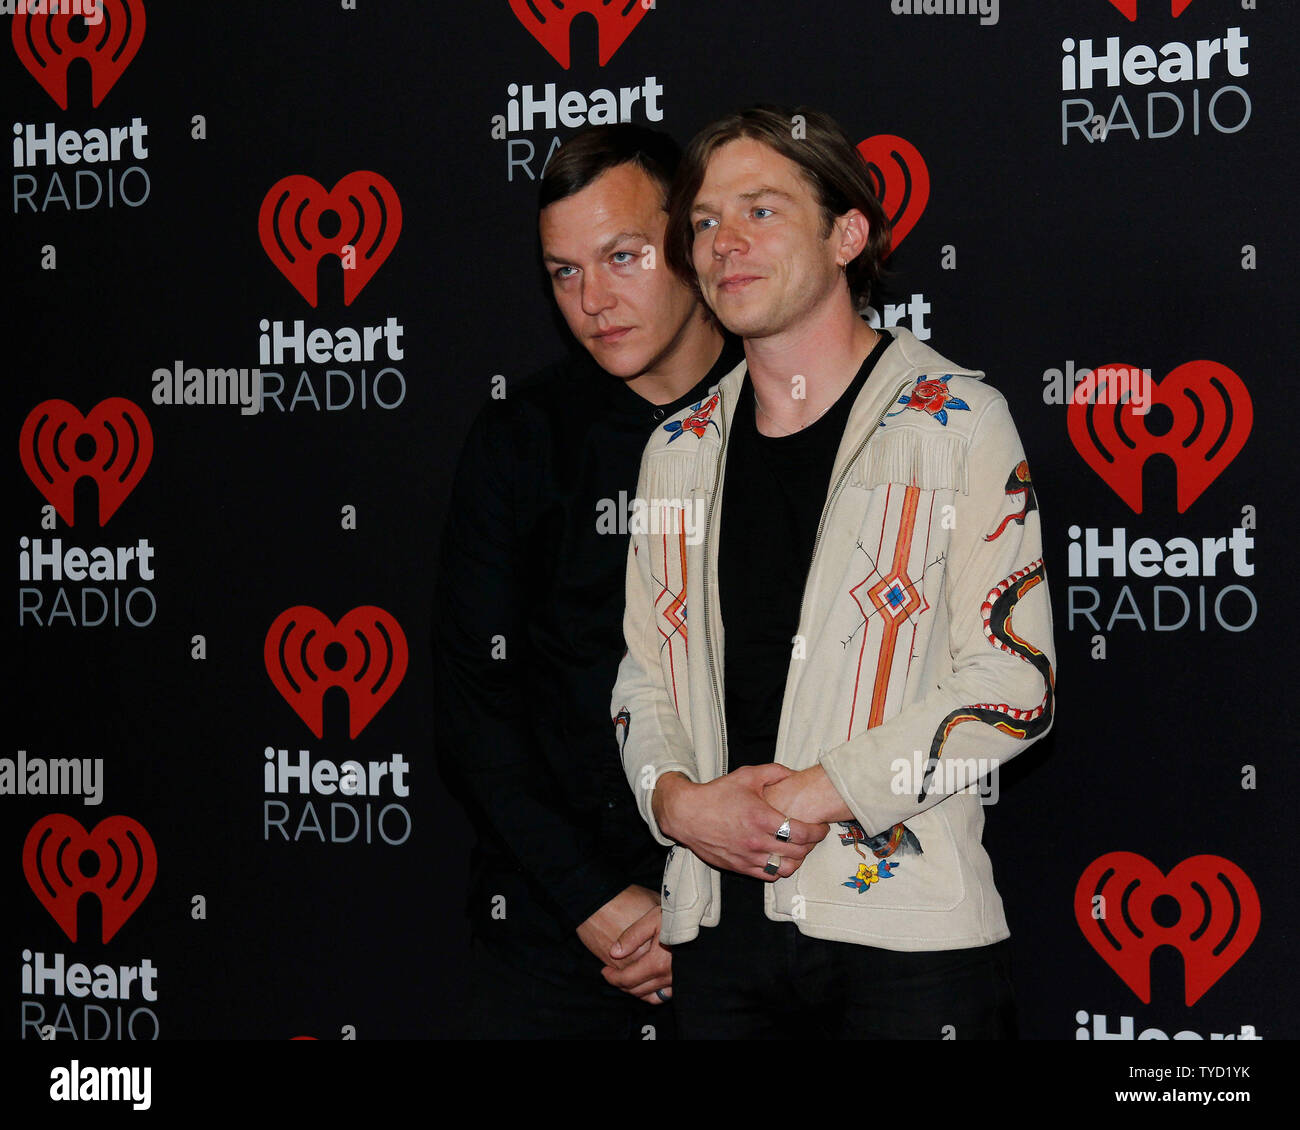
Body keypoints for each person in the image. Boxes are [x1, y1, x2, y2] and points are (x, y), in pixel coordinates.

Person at [612, 106, 1055, 1039]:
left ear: (848, 233)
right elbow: (644, 673)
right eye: (702, 221)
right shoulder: (675, 450)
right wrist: (678, 802)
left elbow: (1015, 681)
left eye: (761, 211)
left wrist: (808, 796)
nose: (724, 241)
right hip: (717, 934)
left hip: (910, 943)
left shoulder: (958, 422)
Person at [433, 124, 741, 1039]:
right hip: (559, 931)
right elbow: (474, 702)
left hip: (758, 926)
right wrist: (596, 901)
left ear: (691, 238)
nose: (593, 300)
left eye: (623, 255)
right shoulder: (520, 439)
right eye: (564, 272)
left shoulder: (784, 415)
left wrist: (713, 912)